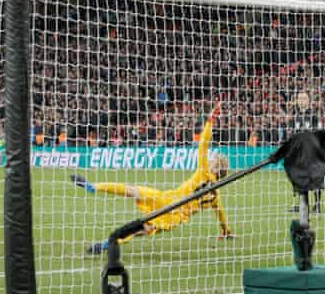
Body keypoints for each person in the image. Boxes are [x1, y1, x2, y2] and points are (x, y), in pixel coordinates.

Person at [73, 104, 233, 254]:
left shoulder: (204, 172)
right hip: (174, 216)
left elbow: (203, 145)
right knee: (142, 229)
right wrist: (226, 231)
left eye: (213, 161)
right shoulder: (215, 196)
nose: (211, 160)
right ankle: (107, 245)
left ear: (215, 168)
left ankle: (95, 186)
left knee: (132, 191)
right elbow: (221, 214)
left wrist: (210, 122)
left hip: (166, 199)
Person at [286, 89, 322, 214]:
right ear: (296, 101)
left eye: (304, 98)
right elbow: (291, 134)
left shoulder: (313, 116)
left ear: (308, 101)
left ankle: (317, 205)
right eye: (299, 98)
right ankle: (301, 204)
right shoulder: (294, 117)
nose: (302, 100)